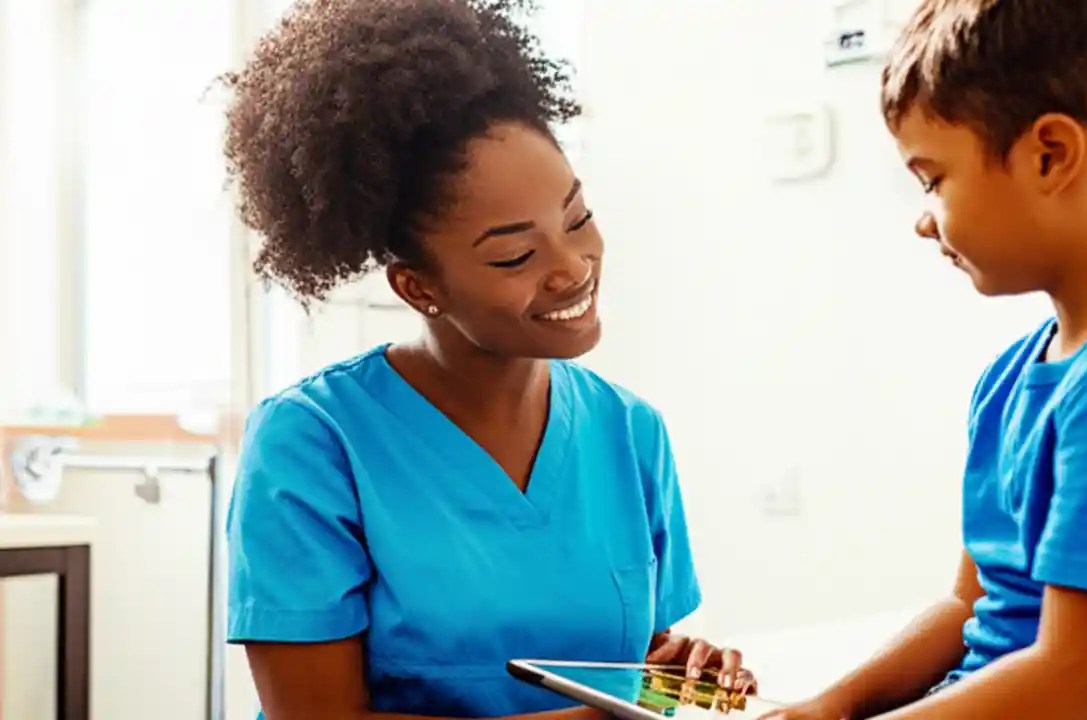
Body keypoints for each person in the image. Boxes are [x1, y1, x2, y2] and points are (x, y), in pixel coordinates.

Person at [221, 1, 751, 718]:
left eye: (578, 218)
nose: (572, 268)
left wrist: (679, 682)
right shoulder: (312, 444)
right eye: (515, 254)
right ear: (419, 286)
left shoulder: (629, 431)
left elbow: (628, 675)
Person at [766, 0, 1087, 718]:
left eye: (933, 179)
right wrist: (829, 706)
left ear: (1051, 154)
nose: (923, 219)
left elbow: (1076, 681)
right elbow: (969, 608)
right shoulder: (1013, 378)